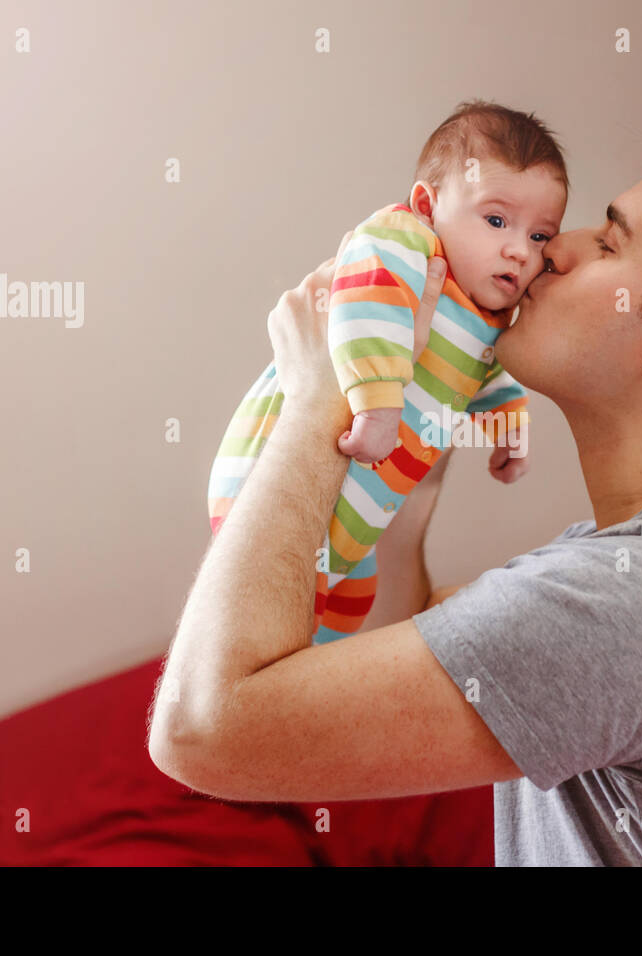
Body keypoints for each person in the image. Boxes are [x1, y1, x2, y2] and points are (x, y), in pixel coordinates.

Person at [149, 116, 642, 866]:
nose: (552, 249)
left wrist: (316, 403)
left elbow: (202, 731)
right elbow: (385, 643)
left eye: (606, 243)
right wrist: (409, 459)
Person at [205, 100, 567, 644]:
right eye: (496, 220)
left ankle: (304, 694)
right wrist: (377, 405)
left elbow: (487, 373)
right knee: (271, 621)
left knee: (333, 627)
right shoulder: (406, 243)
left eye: (540, 236)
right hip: (274, 481)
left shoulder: (487, 317)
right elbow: (364, 307)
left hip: (351, 530)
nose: (518, 250)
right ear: (428, 204)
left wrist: (507, 425)